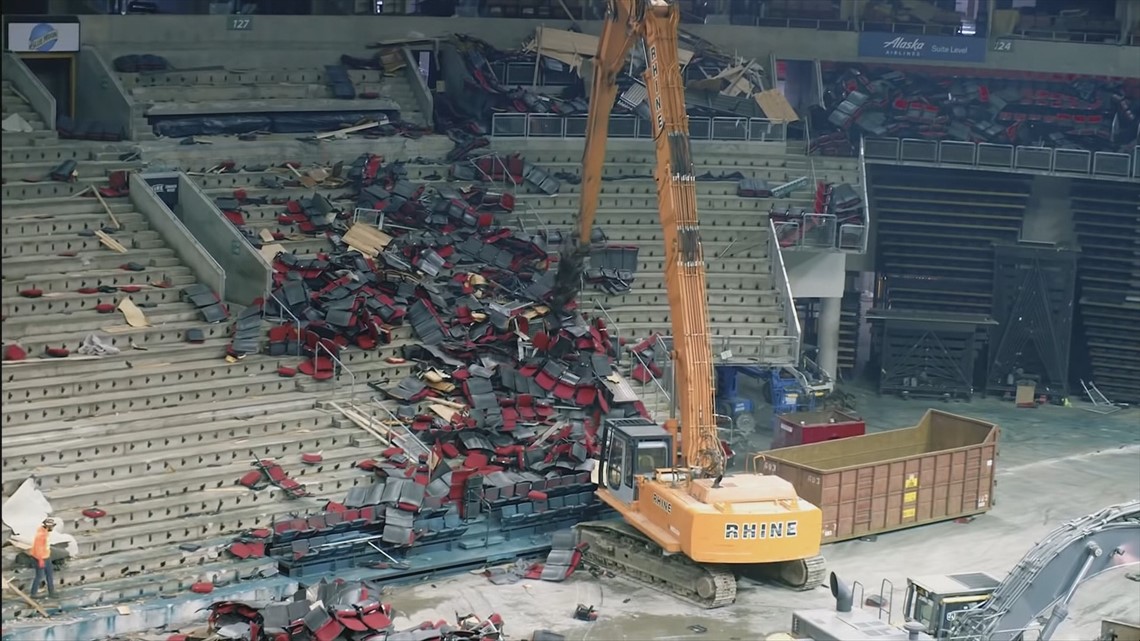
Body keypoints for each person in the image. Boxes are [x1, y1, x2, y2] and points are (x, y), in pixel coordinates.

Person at [29, 518, 58, 599]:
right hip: (40, 558)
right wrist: (40, 560)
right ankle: (33, 593)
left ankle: (51, 592)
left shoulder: (45, 532)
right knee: (39, 576)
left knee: (49, 574)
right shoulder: (41, 535)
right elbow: (38, 549)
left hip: (46, 556)